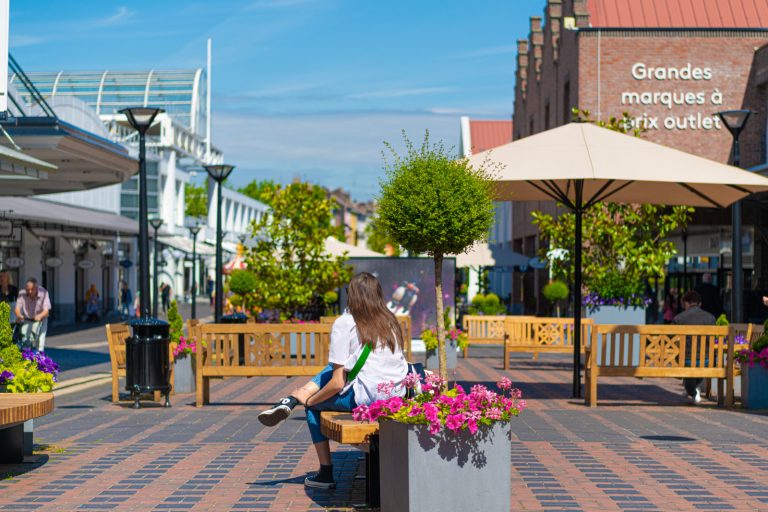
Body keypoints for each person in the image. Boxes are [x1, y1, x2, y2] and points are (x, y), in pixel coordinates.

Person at [257, 272, 408, 489]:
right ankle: (291, 399)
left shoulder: (345, 322)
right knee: (332, 368)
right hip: (397, 394)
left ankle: (325, 472)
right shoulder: (390, 320)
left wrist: (309, 400)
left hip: (367, 397)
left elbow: (337, 383)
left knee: (312, 405)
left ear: (352, 295)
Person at [672, 290, 715, 404]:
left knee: (689, 363)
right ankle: (691, 389)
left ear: (686, 303)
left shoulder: (679, 319)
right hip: (706, 360)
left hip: (685, 360)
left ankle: (692, 391)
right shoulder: (710, 318)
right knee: (698, 364)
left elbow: (671, 340)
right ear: (699, 304)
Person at [14, 278, 51, 351]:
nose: (30, 291)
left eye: (32, 289)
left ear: (36, 288)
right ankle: (27, 357)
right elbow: (17, 308)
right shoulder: (22, 293)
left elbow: (46, 311)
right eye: (28, 289)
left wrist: (39, 316)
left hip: (41, 319)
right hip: (27, 319)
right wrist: (19, 315)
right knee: (26, 339)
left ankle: (40, 357)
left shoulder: (44, 293)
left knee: (40, 340)